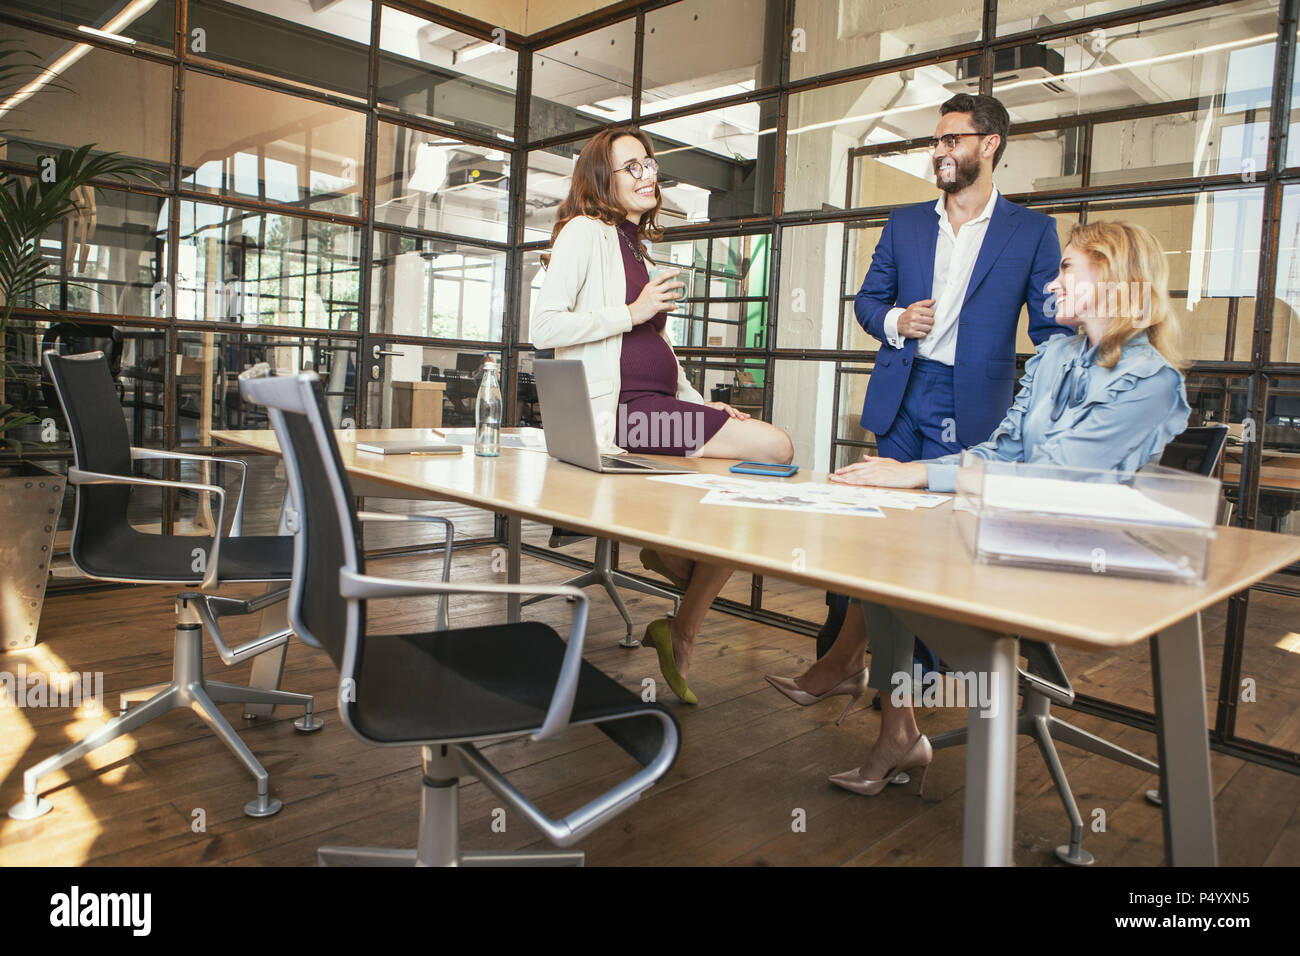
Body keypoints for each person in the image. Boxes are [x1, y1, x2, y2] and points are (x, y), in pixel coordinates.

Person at [769, 219, 1192, 795]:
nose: (1052, 283)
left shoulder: (1152, 381)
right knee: (884, 543)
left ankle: (876, 698)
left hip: (1075, 552)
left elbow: (1054, 477)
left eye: (1067, 268)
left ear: (1113, 275)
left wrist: (921, 471)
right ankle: (897, 726)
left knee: (896, 557)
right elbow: (1003, 450)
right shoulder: (1054, 358)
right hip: (1010, 521)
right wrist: (912, 478)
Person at [532, 125, 793, 705]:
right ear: (602, 178)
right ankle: (682, 614)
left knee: (733, 489)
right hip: (626, 418)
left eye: (650, 163)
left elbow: (658, 355)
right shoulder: (584, 231)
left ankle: (679, 584)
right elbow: (544, 327)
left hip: (661, 408)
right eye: (633, 167)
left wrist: (702, 406)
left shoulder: (631, 243)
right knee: (775, 449)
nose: (649, 173)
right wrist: (635, 309)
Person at [815, 92, 1070, 669]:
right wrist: (896, 321)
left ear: (989, 144)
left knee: (937, 538)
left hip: (972, 403)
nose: (940, 152)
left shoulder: (1031, 232)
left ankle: (919, 677)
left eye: (951, 140)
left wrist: (1046, 405)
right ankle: (860, 659)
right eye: (936, 141)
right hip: (901, 393)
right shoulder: (905, 223)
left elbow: (1051, 330)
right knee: (881, 526)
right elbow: (868, 301)